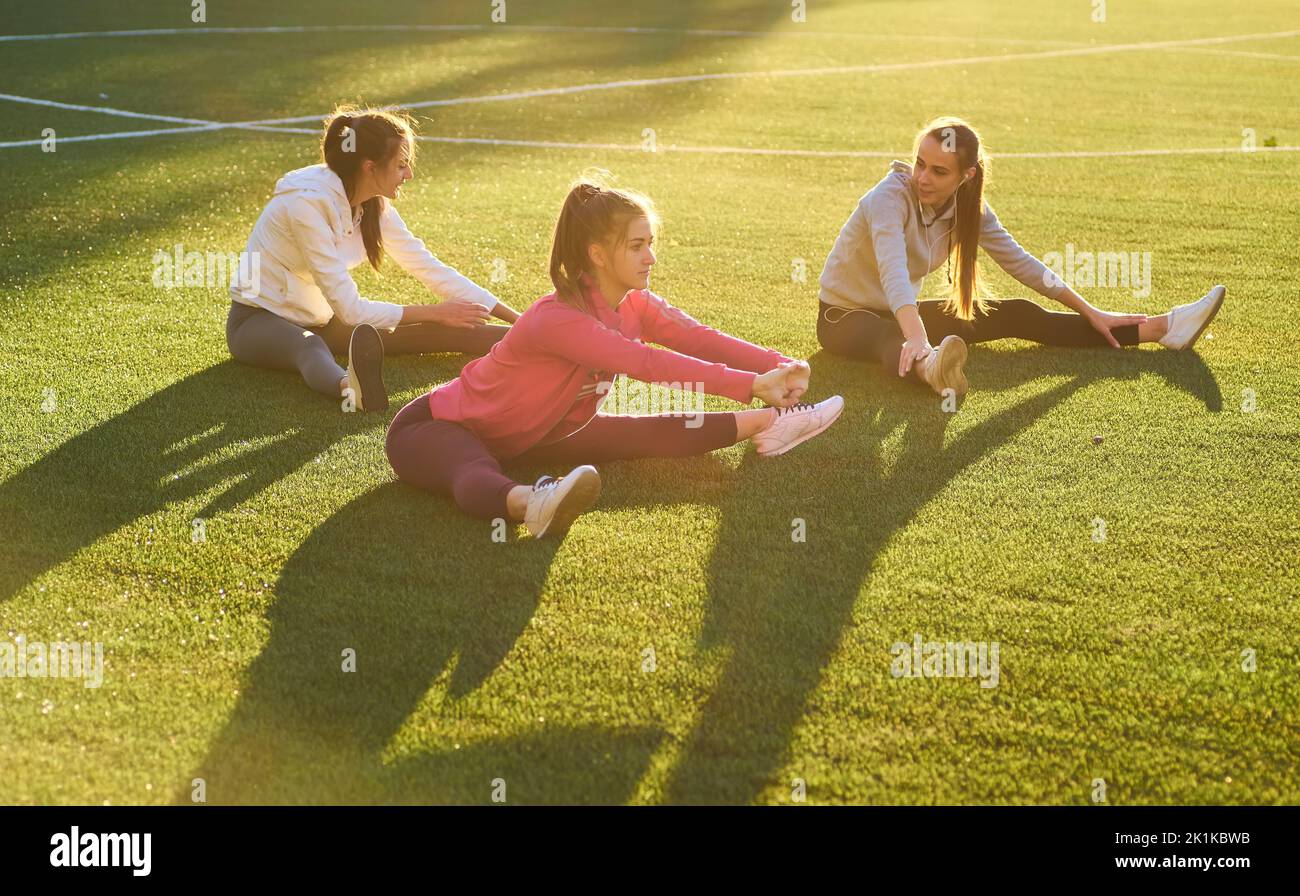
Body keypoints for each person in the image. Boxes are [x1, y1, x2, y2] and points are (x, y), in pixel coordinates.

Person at [386, 174, 844, 538]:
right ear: (598, 255)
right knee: (470, 465)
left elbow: (700, 340)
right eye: (637, 246)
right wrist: (749, 386)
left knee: (639, 434)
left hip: (540, 433)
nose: (651, 258)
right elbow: (647, 364)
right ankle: (533, 502)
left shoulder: (636, 303)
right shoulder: (560, 318)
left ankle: (771, 426)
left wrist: (773, 365)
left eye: (651, 243)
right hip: (436, 428)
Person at [817, 115, 1226, 397]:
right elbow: (892, 271)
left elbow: (1021, 263)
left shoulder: (969, 209)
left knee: (1017, 313)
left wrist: (1091, 310)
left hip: (899, 312)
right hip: (842, 317)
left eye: (939, 171)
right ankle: (930, 368)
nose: (923, 177)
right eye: (920, 164)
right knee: (894, 337)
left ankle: (1160, 329)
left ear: (967, 176)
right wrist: (919, 337)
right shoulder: (888, 197)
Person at [226, 106, 521, 411]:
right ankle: (353, 390)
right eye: (402, 165)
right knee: (309, 347)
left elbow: (426, 265)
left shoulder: (372, 205)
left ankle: (528, 340)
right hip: (257, 320)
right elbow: (351, 310)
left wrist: (522, 321)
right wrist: (434, 310)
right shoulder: (306, 205)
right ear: (369, 167)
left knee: (443, 330)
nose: (409, 174)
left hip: (321, 318)